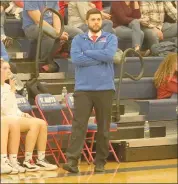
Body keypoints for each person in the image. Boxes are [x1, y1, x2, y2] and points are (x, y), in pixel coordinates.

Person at [63, 8, 118, 173]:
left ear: (102, 21)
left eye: (98, 19)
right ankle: (72, 162)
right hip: (83, 89)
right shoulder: (78, 39)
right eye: (93, 19)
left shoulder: (111, 37)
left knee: (103, 127)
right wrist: (98, 55)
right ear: (87, 22)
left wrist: (87, 52)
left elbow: (109, 56)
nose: (96, 22)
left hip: (105, 88)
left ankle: (100, 162)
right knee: (79, 126)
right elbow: (76, 59)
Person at [1, 60, 58, 172]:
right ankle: (11, 160)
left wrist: (22, 113)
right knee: (17, 122)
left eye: (9, 68)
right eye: (5, 68)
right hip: (4, 119)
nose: (9, 71)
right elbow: (4, 108)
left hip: (12, 117)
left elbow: (13, 107)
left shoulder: (7, 87)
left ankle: (36, 160)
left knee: (40, 123)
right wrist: (12, 90)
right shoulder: (9, 89)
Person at [22, 1, 82, 72]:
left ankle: (75, 61)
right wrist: (56, 33)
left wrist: (58, 31)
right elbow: (38, 20)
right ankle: (43, 62)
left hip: (52, 27)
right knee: (48, 33)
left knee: (78, 33)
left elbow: (56, 16)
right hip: (33, 27)